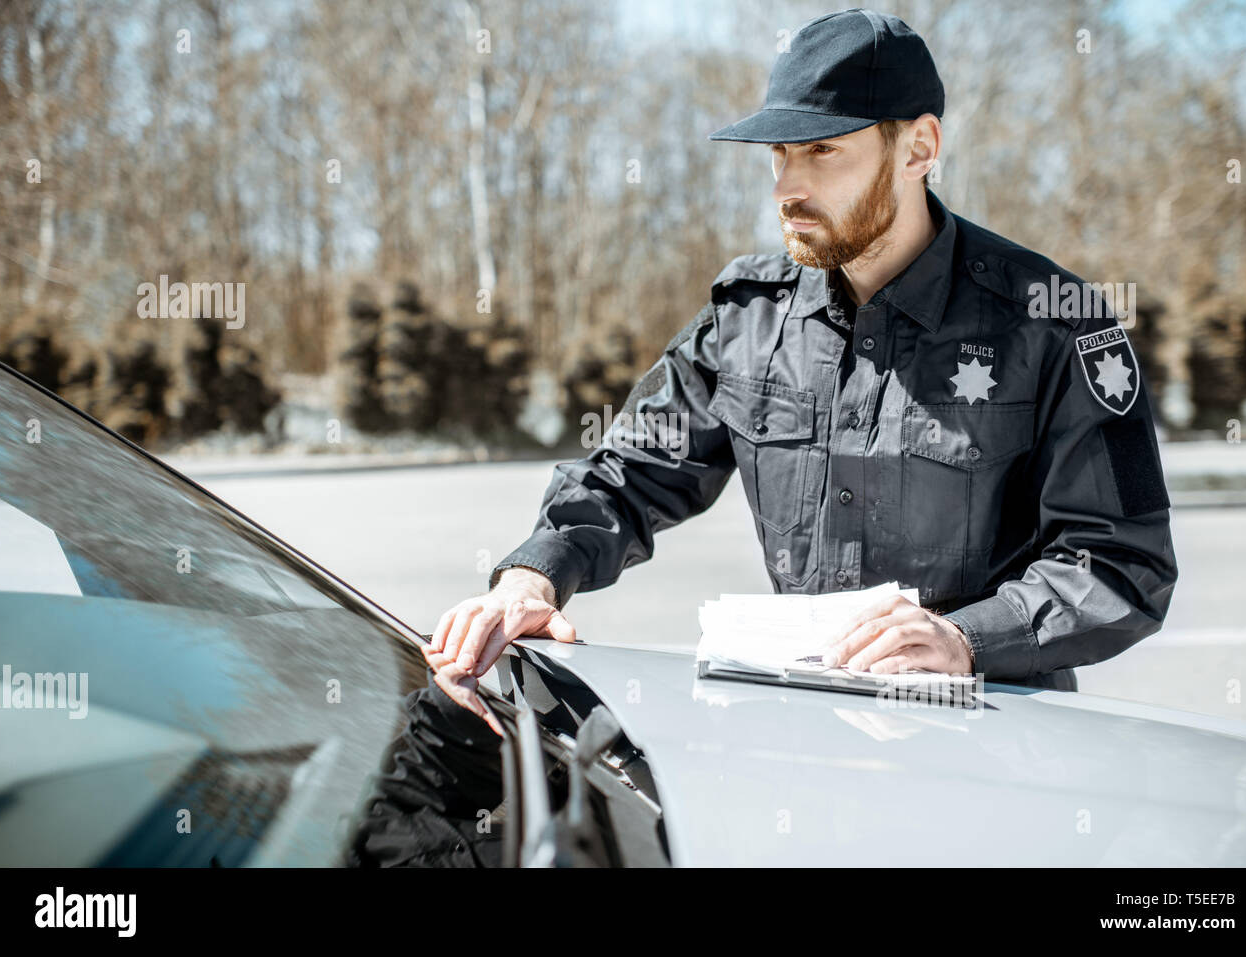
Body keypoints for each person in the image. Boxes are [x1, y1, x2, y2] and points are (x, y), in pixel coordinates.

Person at [423, 7, 1177, 717]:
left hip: (993, 749)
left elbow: (1122, 562)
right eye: (781, 155)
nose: (788, 189)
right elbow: (626, 473)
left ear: (918, 149)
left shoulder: (1053, 321)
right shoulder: (749, 319)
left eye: (823, 150)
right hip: (800, 744)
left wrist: (966, 639)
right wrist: (532, 577)